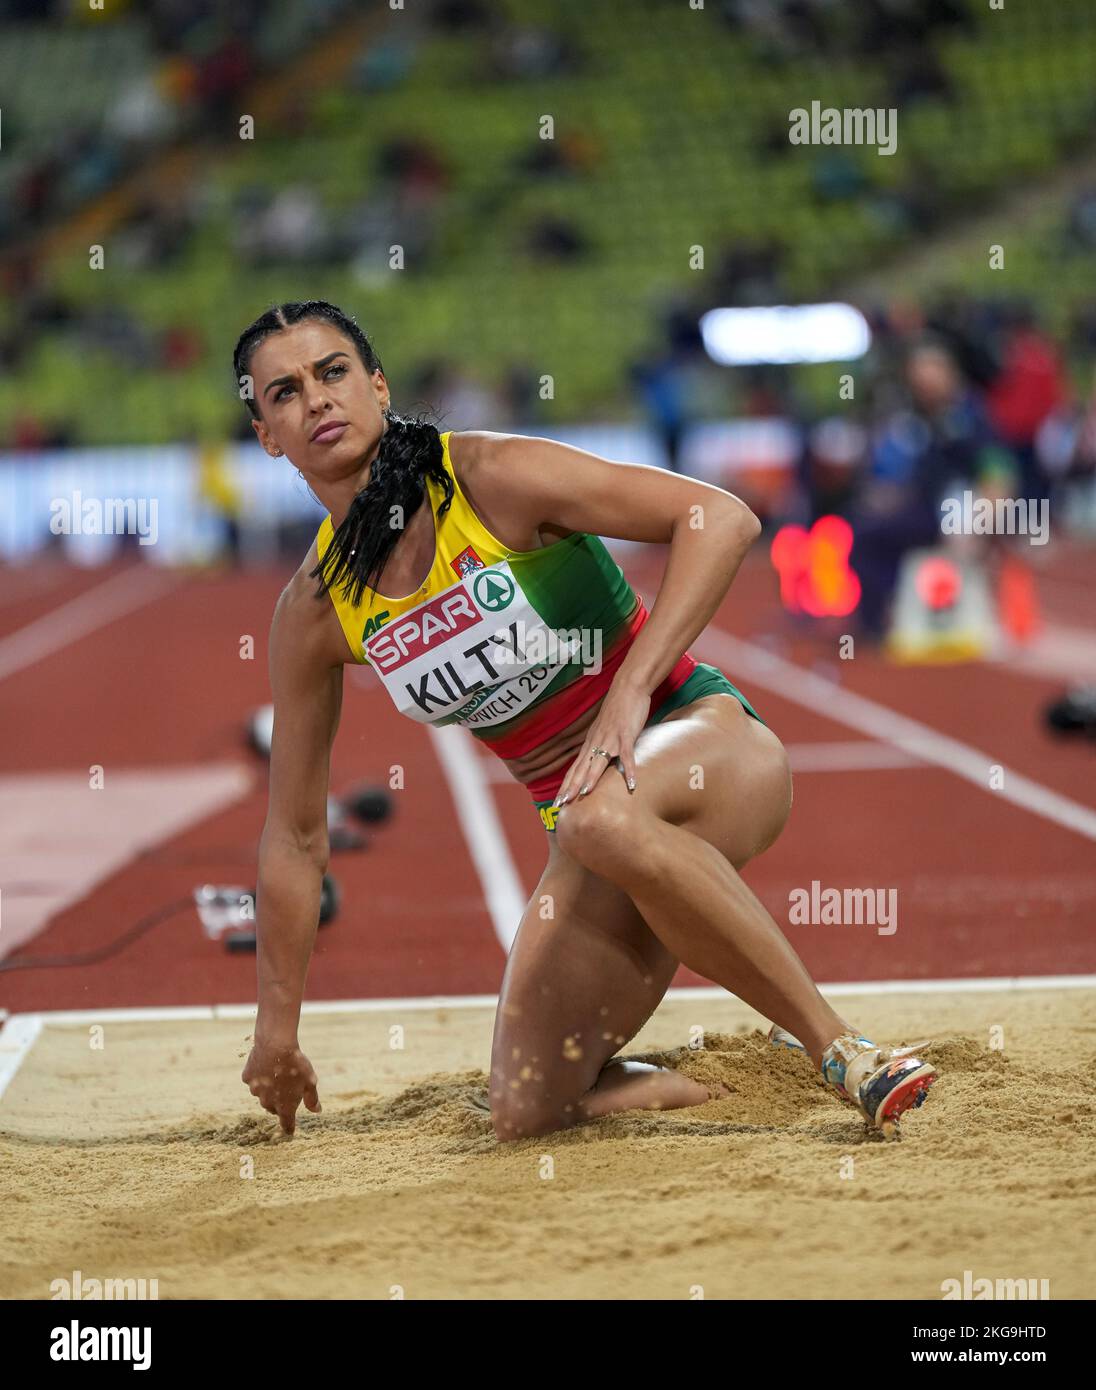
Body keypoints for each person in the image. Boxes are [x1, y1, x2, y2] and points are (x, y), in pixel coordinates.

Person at [237, 300, 937, 1142]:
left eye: (333, 372)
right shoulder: (315, 612)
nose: (316, 400)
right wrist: (276, 1032)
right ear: (267, 432)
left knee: (598, 815)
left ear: (378, 385)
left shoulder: (490, 476)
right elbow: (295, 837)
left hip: (709, 746)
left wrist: (632, 693)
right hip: (593, 833)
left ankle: (843, 1052)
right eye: (285, 392)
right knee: (526, 1108)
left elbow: (719, 519)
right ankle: (726, 1093)